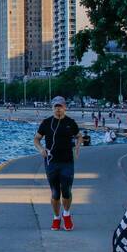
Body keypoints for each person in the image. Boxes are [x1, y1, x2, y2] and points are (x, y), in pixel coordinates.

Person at [35, 97, 80, 229]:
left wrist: (78, 146)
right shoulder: (47, 122)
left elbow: (79, 136)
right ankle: (56, 217)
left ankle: (66, 214)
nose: (58, 108)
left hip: (67, 162)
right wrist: (41, 149)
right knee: (55, 192)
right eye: (55, 106)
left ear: (65, 107)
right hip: (51, 162)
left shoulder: (70, 122)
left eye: (60, 106)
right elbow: (37, 139)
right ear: (52, 108)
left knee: (66, 191)